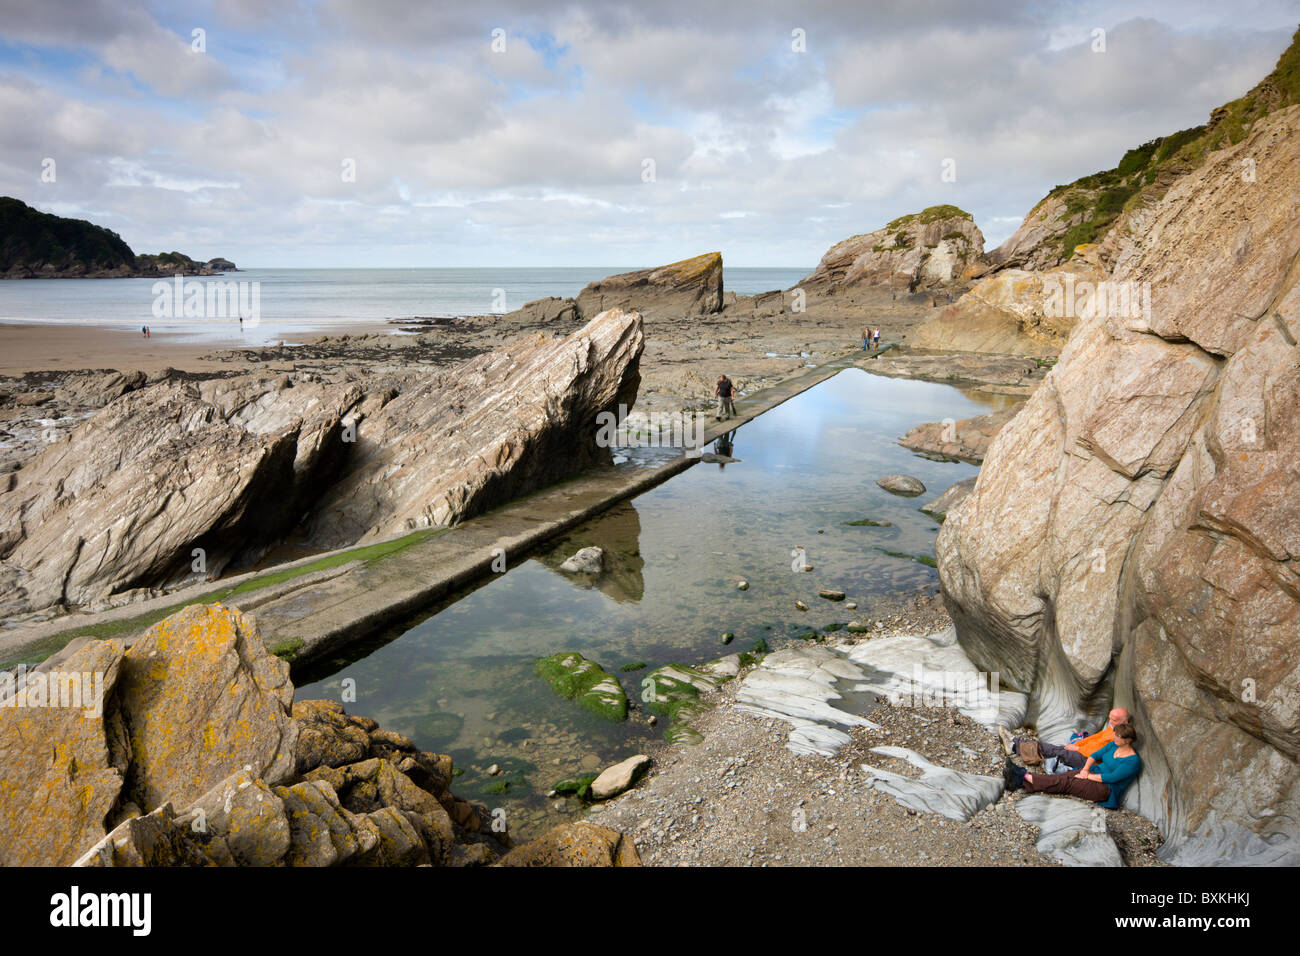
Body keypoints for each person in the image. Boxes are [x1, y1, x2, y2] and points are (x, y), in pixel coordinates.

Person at [1004, 723, 1141, 809]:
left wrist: (1087, 776)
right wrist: (1086, 769)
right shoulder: (1113, 745)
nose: (1114, 737)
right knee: (1065, 777)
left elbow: (1112, 778)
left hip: (1105, 790)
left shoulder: (1133, 761)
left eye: (1117, 736)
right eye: (1115, 734)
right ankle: (1023, 780)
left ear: (1127, 740)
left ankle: (1024, 776)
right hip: (1093, 773)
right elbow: (1094, 755)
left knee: (1068, 783)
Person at [998, 707, 1130, 772]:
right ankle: (1017, 744)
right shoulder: (1113, 729)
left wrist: (1078, 748)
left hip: (1089, 760)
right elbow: (1095, 738)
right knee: (1057, 749)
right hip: (1083, 752)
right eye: (1110, 718)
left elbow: (1099, 752)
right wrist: (1078, 743)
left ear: (1125, 721)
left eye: (1115, 720)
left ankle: (1015, 746)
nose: (1111, 721)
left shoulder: (1120, 736)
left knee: (1056, 751)